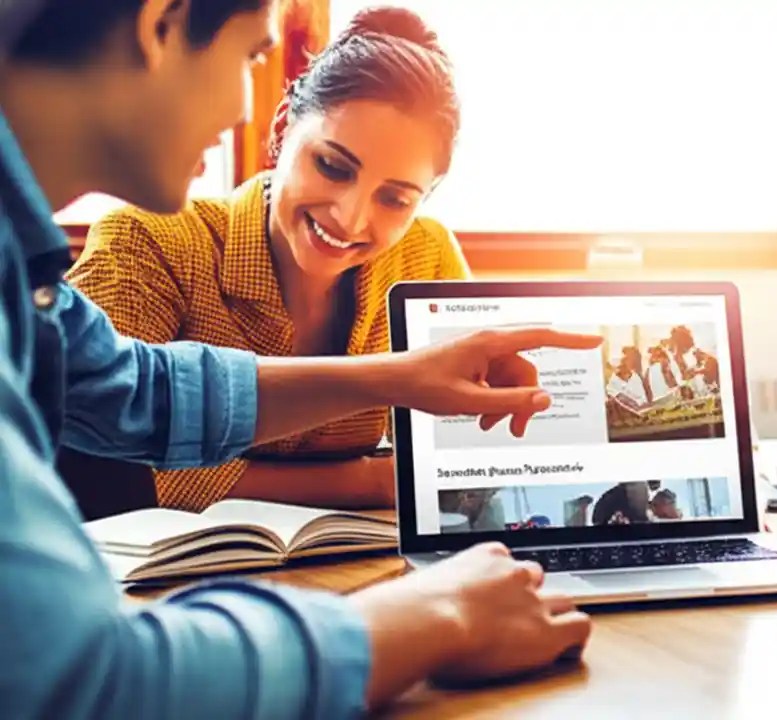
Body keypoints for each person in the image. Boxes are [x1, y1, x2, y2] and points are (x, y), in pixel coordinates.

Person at [0, 1, 596, 717]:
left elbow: (133, 390)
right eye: (254, 55)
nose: (242, 106)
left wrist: (399, 378)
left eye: (395, 197)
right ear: (160, 24)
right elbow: (89, 686)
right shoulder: (142, 240)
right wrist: (433, 615)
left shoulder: (19, 269)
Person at [65, 6, 469, 513]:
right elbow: (102, 464)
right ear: (282, 128)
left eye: (395, 200)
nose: (349, 217)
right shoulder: (150, 241)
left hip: (355, 562)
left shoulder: (426, 255)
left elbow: (459, 461)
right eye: (331, 166)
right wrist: (371, 482)